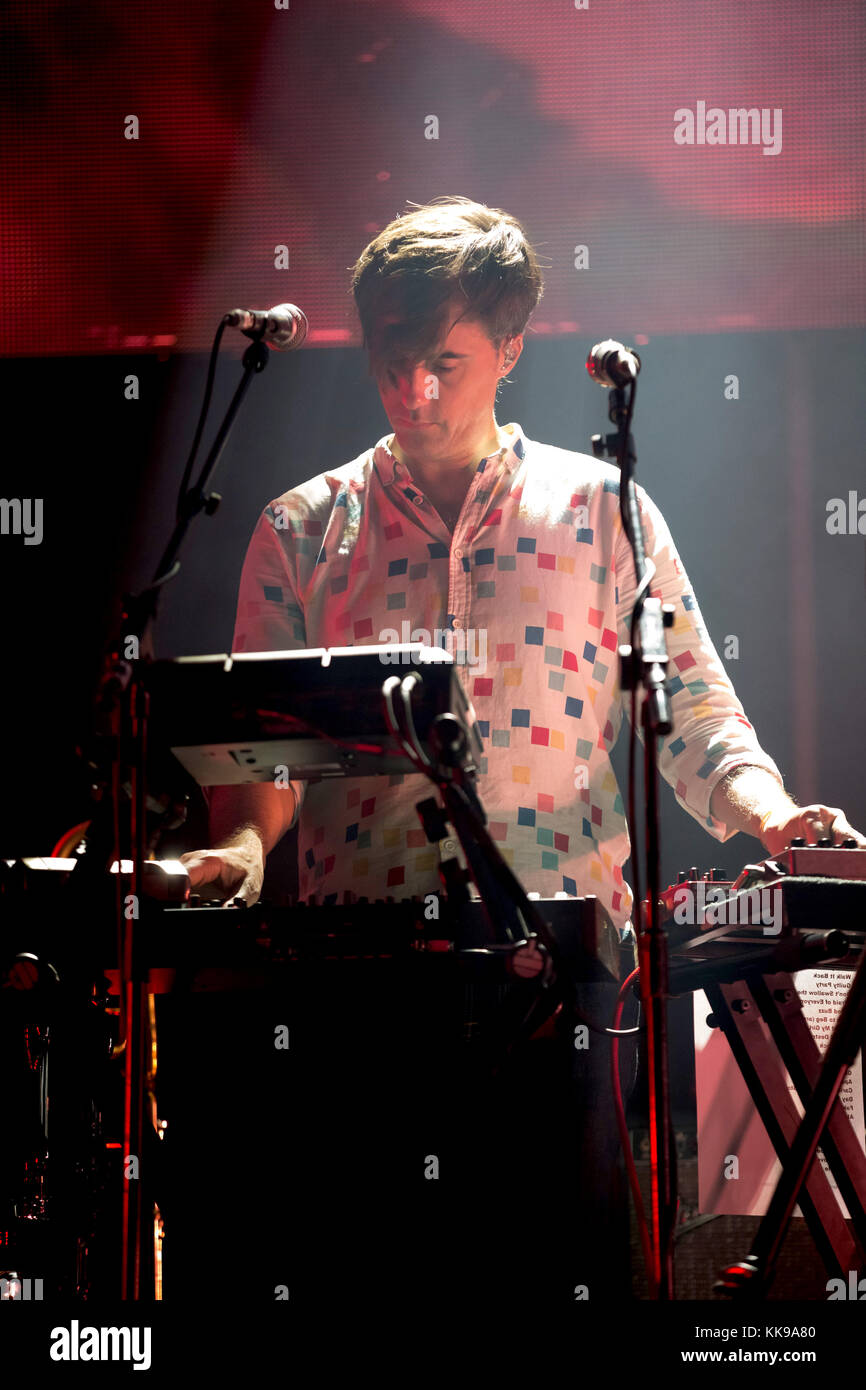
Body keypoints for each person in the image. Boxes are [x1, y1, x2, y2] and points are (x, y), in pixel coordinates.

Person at [172, 196, 864, 1304]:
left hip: (567, 974)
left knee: (562, 1278)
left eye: (444, 359)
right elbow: (266, 763)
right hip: (364, 981)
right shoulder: (300, 529)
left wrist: (768, 812)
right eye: (393, 362)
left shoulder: (604, 512)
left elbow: (689, 712)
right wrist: (242, 858)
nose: (416, 391)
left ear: (508, 345)